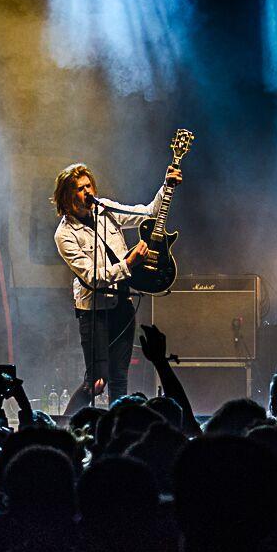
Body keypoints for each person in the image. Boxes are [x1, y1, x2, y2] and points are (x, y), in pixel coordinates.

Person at [53, 163, 182, 414]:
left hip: (122, 302)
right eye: (80, 188)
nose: (88, 192)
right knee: (96, 382)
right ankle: (65, 425)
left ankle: (116, 427)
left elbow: (149, 213)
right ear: (67, 196)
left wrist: (167, 187)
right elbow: (92, 277)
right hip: (94, 310)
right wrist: (129, 263)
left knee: (119, 377)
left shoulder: (105, 209)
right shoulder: (65, 234)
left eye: (89, 186)